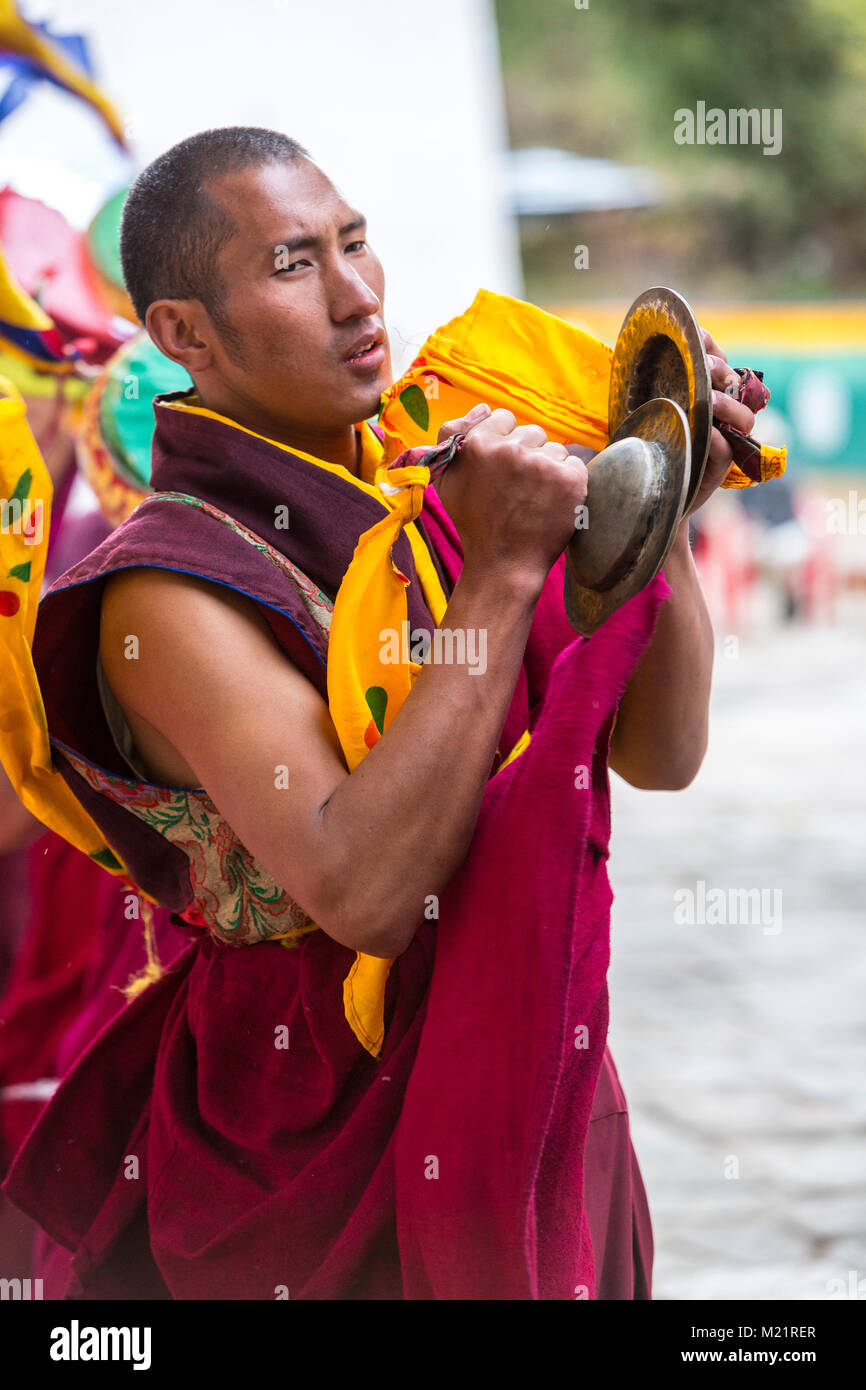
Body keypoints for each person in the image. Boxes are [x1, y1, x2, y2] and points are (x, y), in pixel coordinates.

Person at [2, 127, 757, 1300]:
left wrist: (662, 501)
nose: (357, 295)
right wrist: (504, 574)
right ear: (183, 334)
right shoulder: (170, 584)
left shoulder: (439, 474)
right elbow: (361, 891)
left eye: (354, 242)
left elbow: (660, 752)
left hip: (529, 1067)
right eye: (294, 264)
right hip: (310, 1139)